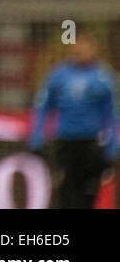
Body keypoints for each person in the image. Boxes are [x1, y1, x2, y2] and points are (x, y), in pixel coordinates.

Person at [29, 32, 119, 209]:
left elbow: (113, 113)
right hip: (65, 143)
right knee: (66, 193)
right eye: (77, 47)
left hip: (92, 144)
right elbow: (42, 105)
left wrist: (112, 146)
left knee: (88, 194)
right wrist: (37, 136)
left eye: (85, 47)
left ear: (93, 49)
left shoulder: (104, 77)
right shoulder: (58, 75)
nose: (80, 51)